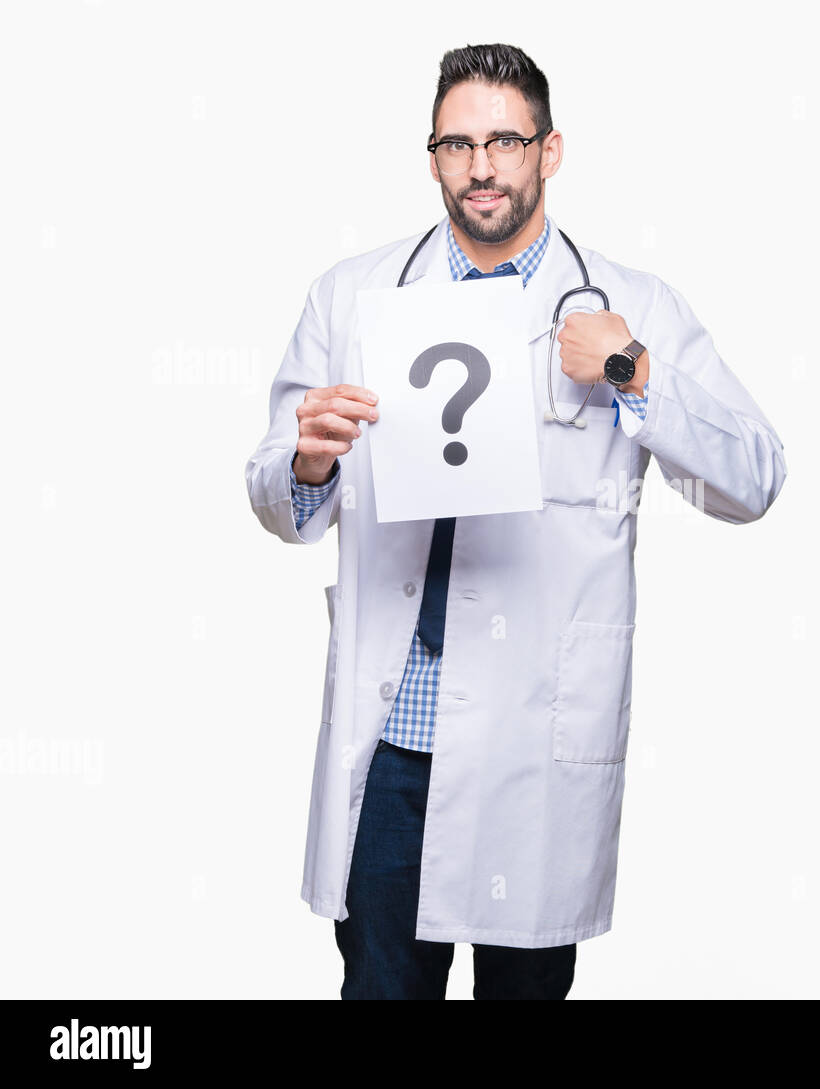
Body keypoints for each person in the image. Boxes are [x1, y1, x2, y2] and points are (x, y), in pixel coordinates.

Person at [245, 42, 787, 1000]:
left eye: (505, 140)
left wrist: (632, 372)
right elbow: (278, 502)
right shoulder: (352, 296)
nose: (482, 166)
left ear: (551, 150)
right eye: (458, 145)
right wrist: (307, 458)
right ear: (432, 159)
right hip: (394, 744)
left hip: (534, 742)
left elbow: (752, 478)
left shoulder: (630, 305)